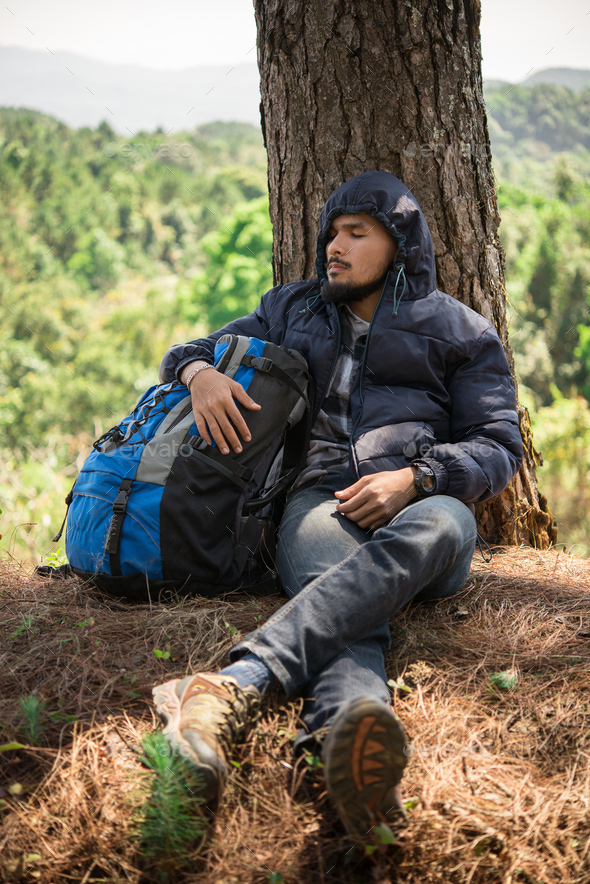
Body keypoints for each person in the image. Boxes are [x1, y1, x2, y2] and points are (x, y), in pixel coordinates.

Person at [152, 170, 523, 842]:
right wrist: (199, 375)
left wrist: (415, 478)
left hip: (426, 509)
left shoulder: (459, 330)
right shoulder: (292, 311)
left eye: (357, 233)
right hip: (319, 504)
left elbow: (499, 447)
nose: (335, 246)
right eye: (332, 233)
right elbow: (188, 349)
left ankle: (240, 682)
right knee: (336, 583)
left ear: (401, 245)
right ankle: (345, 738)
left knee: (444, 522)